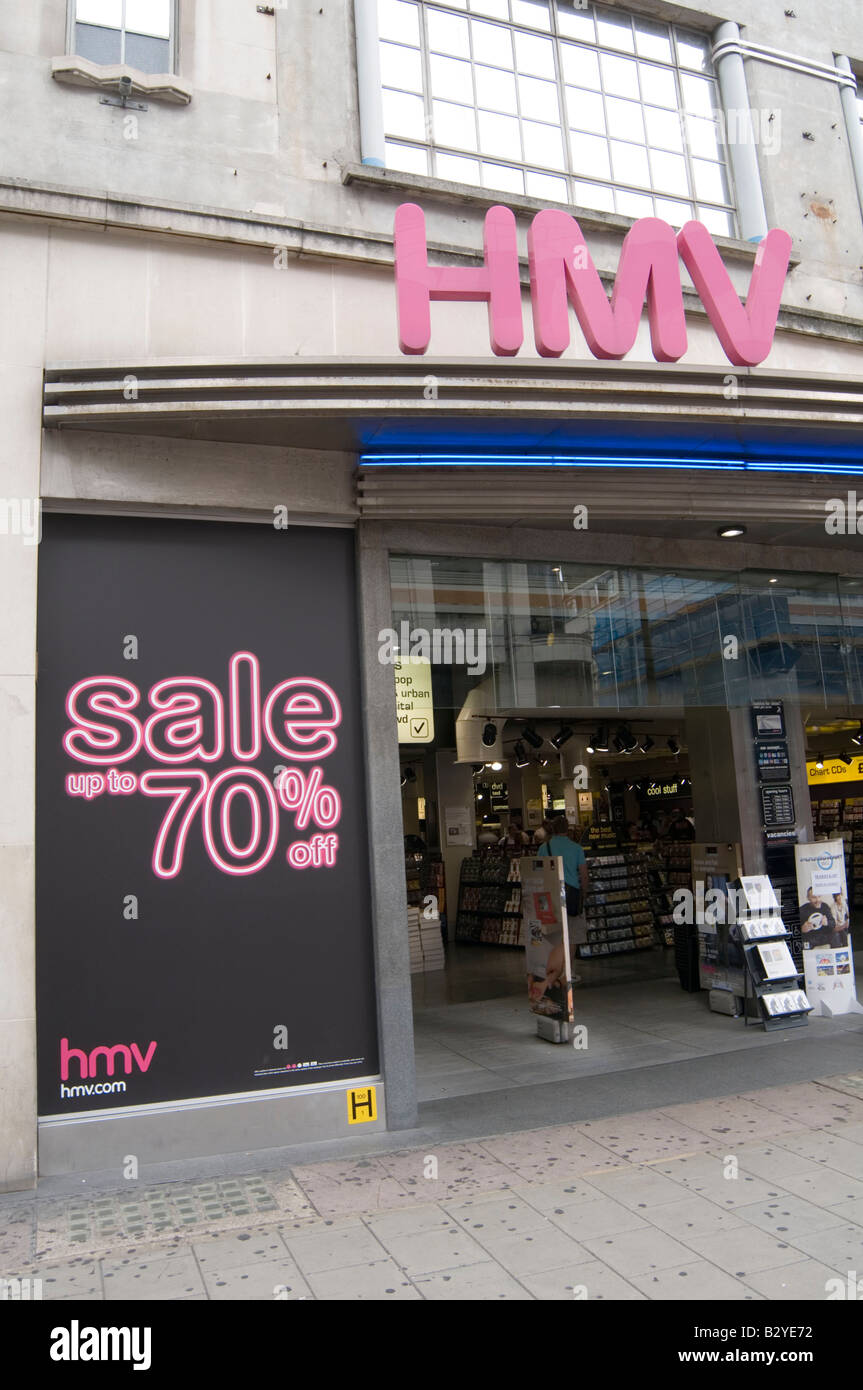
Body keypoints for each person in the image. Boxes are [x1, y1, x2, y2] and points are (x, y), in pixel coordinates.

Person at [538, 815, 589, 917]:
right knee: (573, 926)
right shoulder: (577, 848)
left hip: (551, 893)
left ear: (553, 828)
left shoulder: (543, 848)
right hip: (572, 893)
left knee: (553, 927)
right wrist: (584, 892)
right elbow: (584, 875)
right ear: (567, 828)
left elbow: (539, 872)